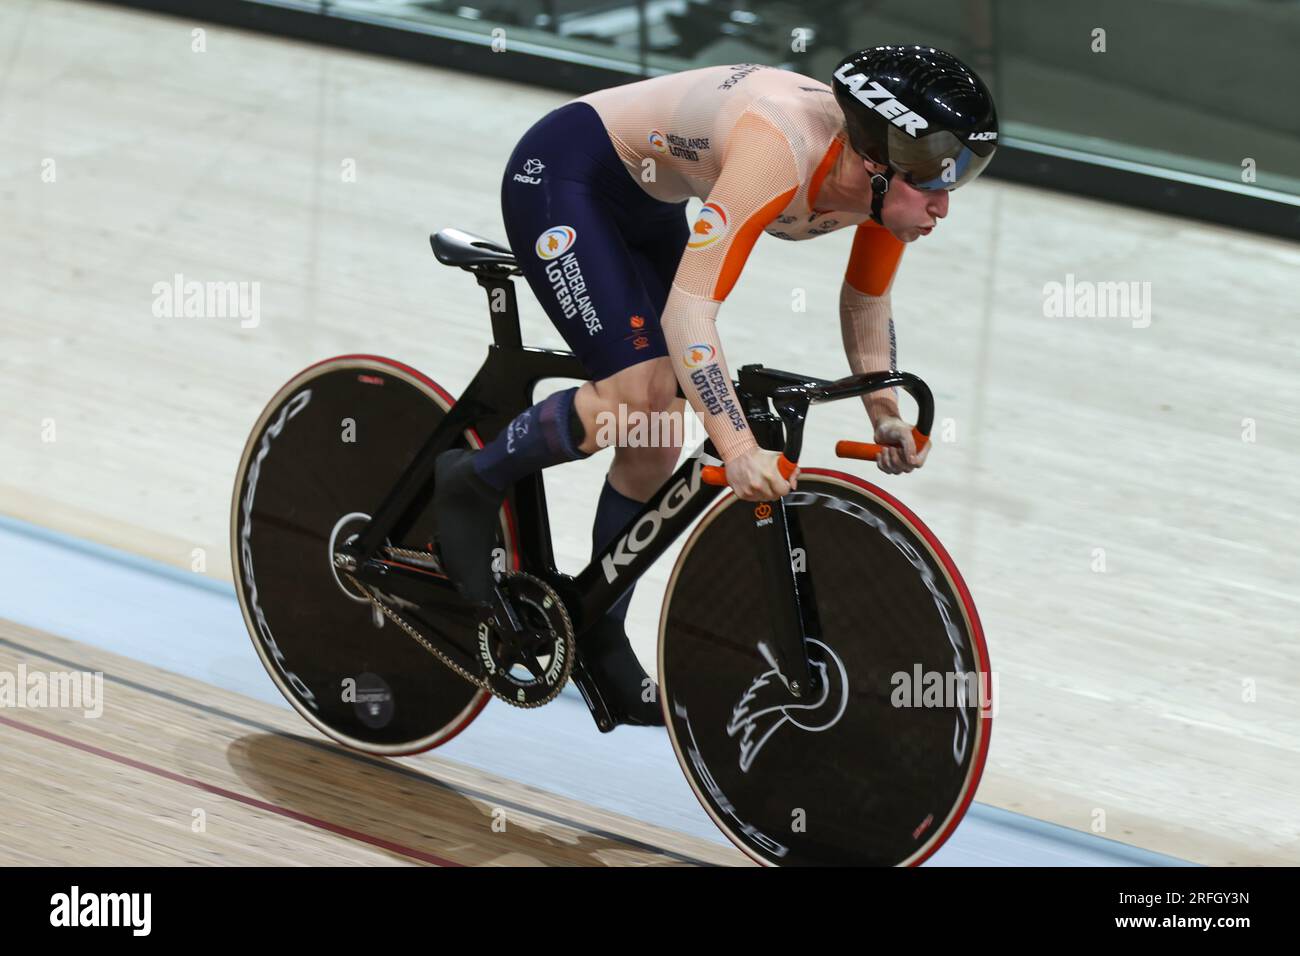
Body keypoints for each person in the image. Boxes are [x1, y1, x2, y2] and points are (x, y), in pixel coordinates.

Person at [434, 45, 999, 728]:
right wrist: (734, 445)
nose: (943, 205)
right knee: (641, 395)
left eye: (957, 179)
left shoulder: (884, 187)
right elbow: (690, 313)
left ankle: (599, 629)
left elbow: (864, 305)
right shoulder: (780, 150)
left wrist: (883, 412)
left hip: (649, 203)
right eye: (934, 182)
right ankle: (473, 476)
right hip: (566, 174)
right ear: (873, 160)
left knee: (660, 433)